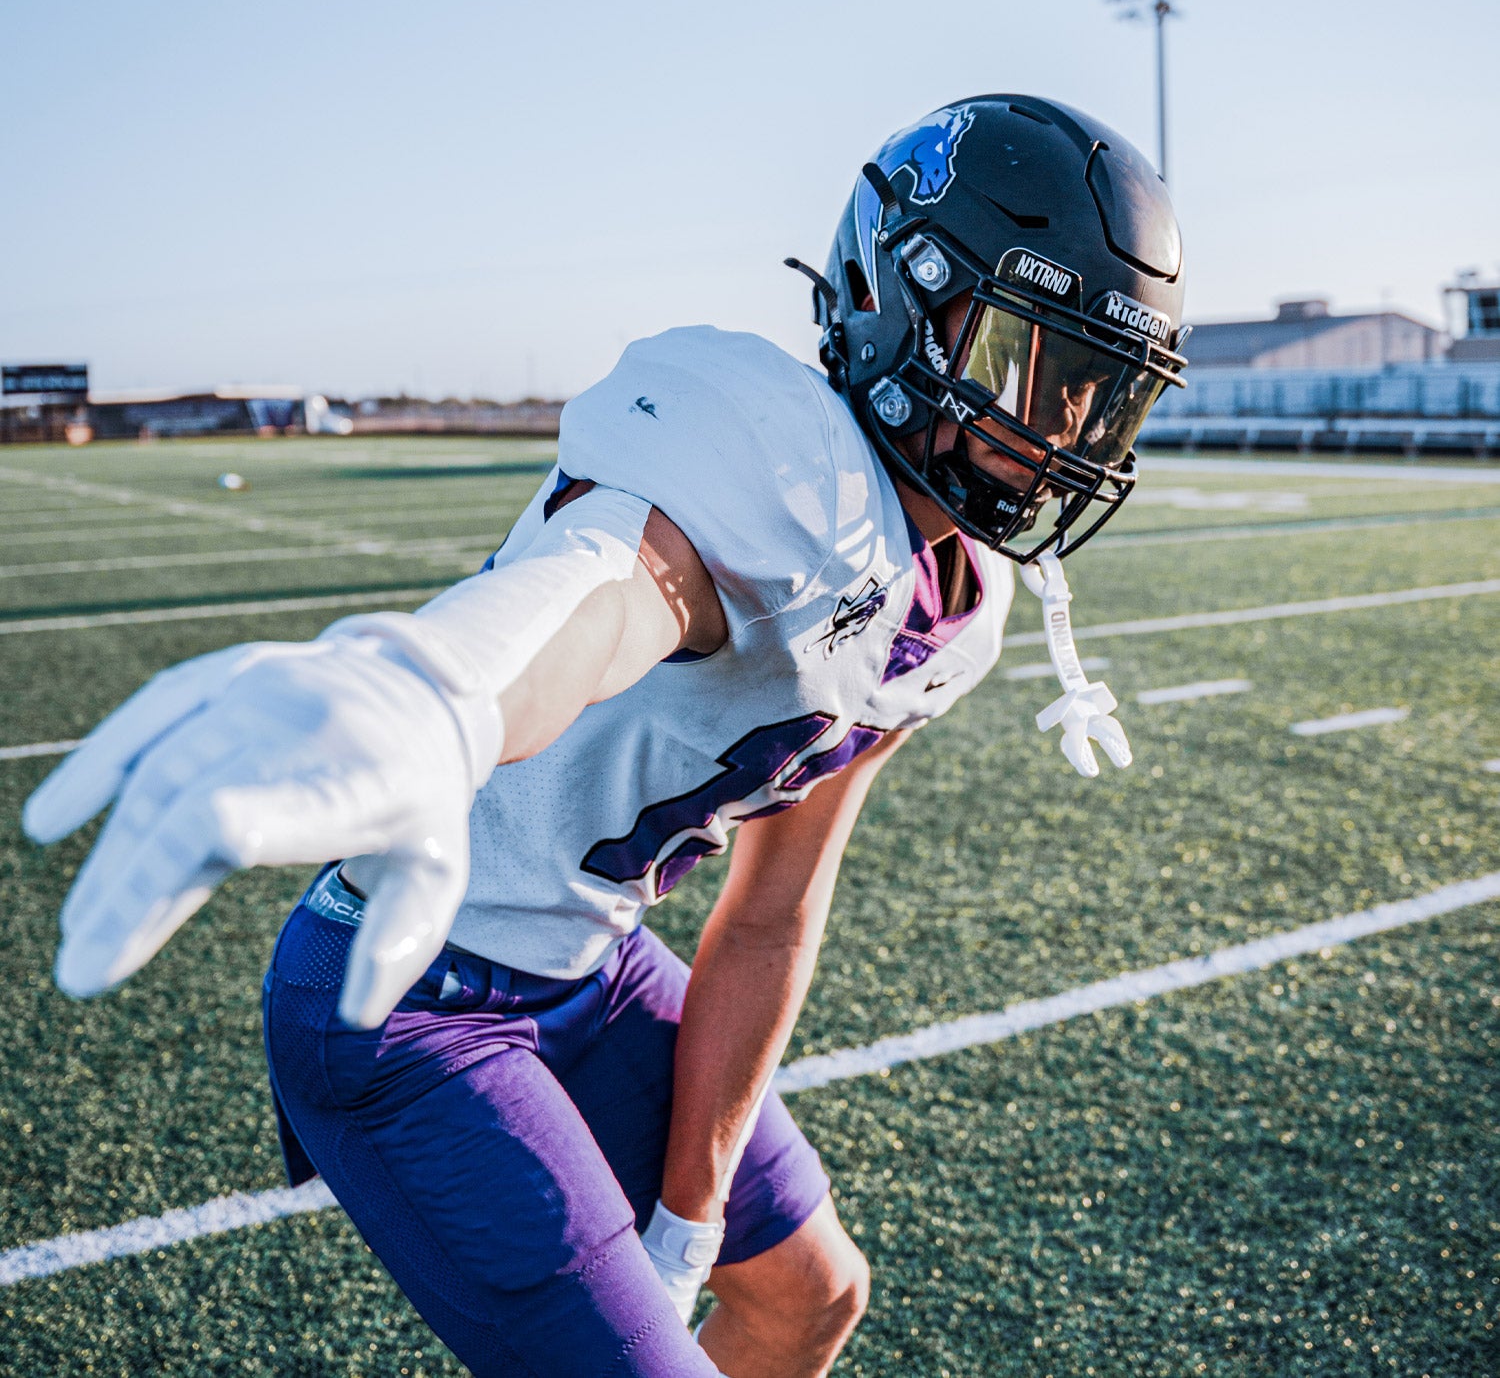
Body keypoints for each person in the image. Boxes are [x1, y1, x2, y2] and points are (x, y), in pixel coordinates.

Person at [24, 95, 1188, 1377]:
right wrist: (444, 694)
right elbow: (615, 592)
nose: (1062, 430)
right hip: (405, 994)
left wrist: (689, 1227)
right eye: (1033, 364)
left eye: (1097, 390)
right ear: (904, 300)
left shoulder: (962, 613)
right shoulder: (770, 448)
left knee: (811, 1298)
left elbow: (771, 915)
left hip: (591, 968)